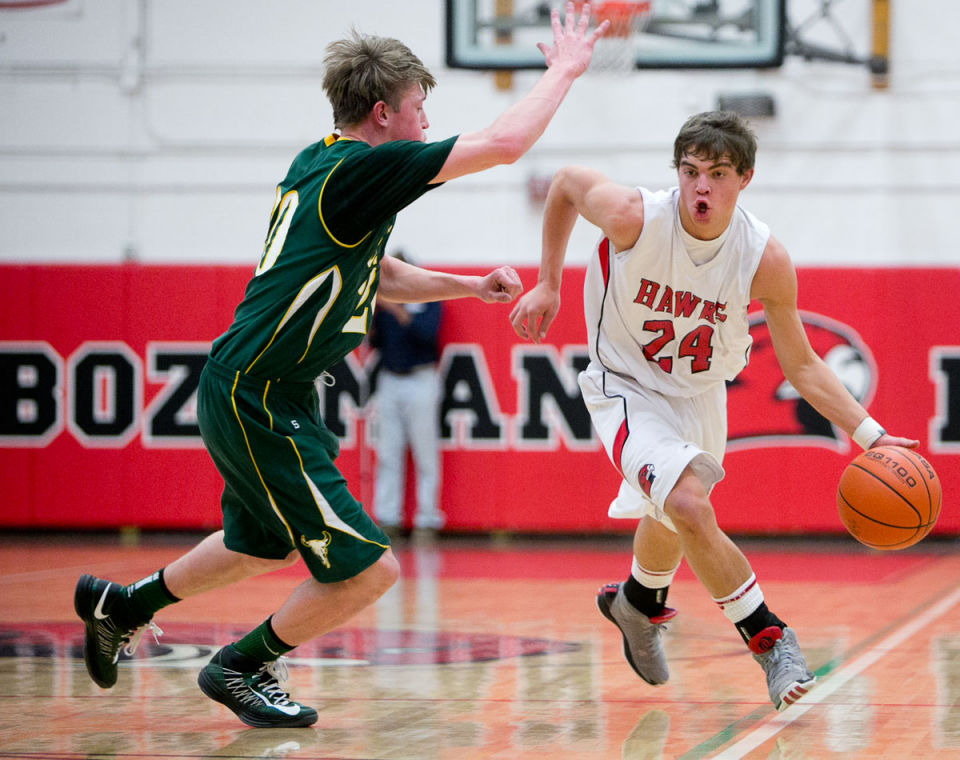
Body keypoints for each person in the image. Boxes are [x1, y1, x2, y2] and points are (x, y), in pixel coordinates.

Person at [73, 3, 610, 729]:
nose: (426, 124)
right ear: (385, 112)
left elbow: (375, 274)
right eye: (421, 109)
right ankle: (242, 665)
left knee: (253, 546)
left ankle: (121, 607)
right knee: (370, 572)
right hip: (260, 396)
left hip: (259, 389)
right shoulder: (366, 169)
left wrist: (466, 286)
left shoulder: (320, 163)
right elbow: (506, 141)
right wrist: (565, 70)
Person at [508, 110, 919, 712]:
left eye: (718, 173)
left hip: (700, 393)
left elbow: (802, 365)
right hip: (626, 385)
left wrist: (873, 435)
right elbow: (567, 182)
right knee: (686, 503)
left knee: (675, 514)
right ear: (677, 172)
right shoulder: (635, 219)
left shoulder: (762, 257)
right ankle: (770, 639)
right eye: (691, 171)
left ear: (744, 178)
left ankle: (638, 604)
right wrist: (549, 282)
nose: (701, 187)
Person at [369, 250, 445, 539]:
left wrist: (396, 309)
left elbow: (427, 335)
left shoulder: (429, 298)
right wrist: (375, 316)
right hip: (391, 378)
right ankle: (388, 518)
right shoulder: (382, 303)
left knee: (425, 452)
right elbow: (377, 343)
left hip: (422, 378)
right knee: (388, 452)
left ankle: (428, 519)